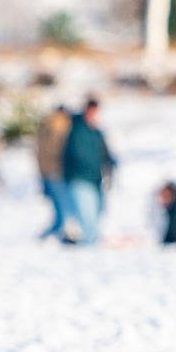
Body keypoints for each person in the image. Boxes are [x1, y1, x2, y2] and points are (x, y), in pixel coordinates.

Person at [59, 97, 115, 245]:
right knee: (87, 220)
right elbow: (77, 156)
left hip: (95, 180)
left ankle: (89, 248)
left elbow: (105, 154)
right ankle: (85, 250)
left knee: (96, 217)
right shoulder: (76, 130)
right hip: (79, 179)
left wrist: (110, 166)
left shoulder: (96, 132)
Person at [34, 104, 72, 239]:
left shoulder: (45, 126)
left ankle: (53, 235)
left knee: (59, 208)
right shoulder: (59, 127)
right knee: (64, 208)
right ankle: (54, 235)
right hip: (57, 172)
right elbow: (59, 151)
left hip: (47, 173)